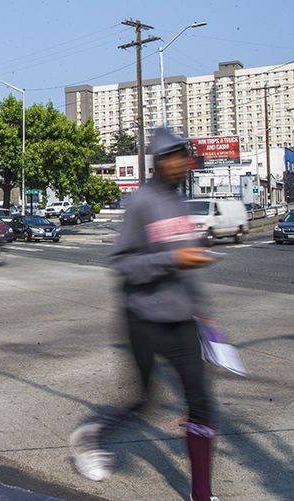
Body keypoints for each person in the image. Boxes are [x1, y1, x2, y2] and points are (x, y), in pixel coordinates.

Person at [69, 128, 221, 501]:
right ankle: (91, 438)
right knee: (144, 400)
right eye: (177, 157)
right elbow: (122, 263)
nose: (184, 164)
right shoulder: (141, 203)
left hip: (183, 320)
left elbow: (186, 267)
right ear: (160, 162)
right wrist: (171, 258)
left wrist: (204, 313)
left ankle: (202, 495)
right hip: (144, 319)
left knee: (200, 404)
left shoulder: (181, 204)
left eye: (186, 157)